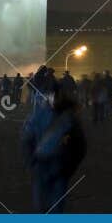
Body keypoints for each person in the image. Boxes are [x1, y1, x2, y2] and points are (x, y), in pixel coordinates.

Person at [21, 79, 85, 212]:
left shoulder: (35, 116)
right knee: (57, 205)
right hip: (60, 166)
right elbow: (80, 146)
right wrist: (70, 166)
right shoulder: (70, 118)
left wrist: (30, 163)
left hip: (41, 164)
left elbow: (26, 141)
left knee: (41, 205)